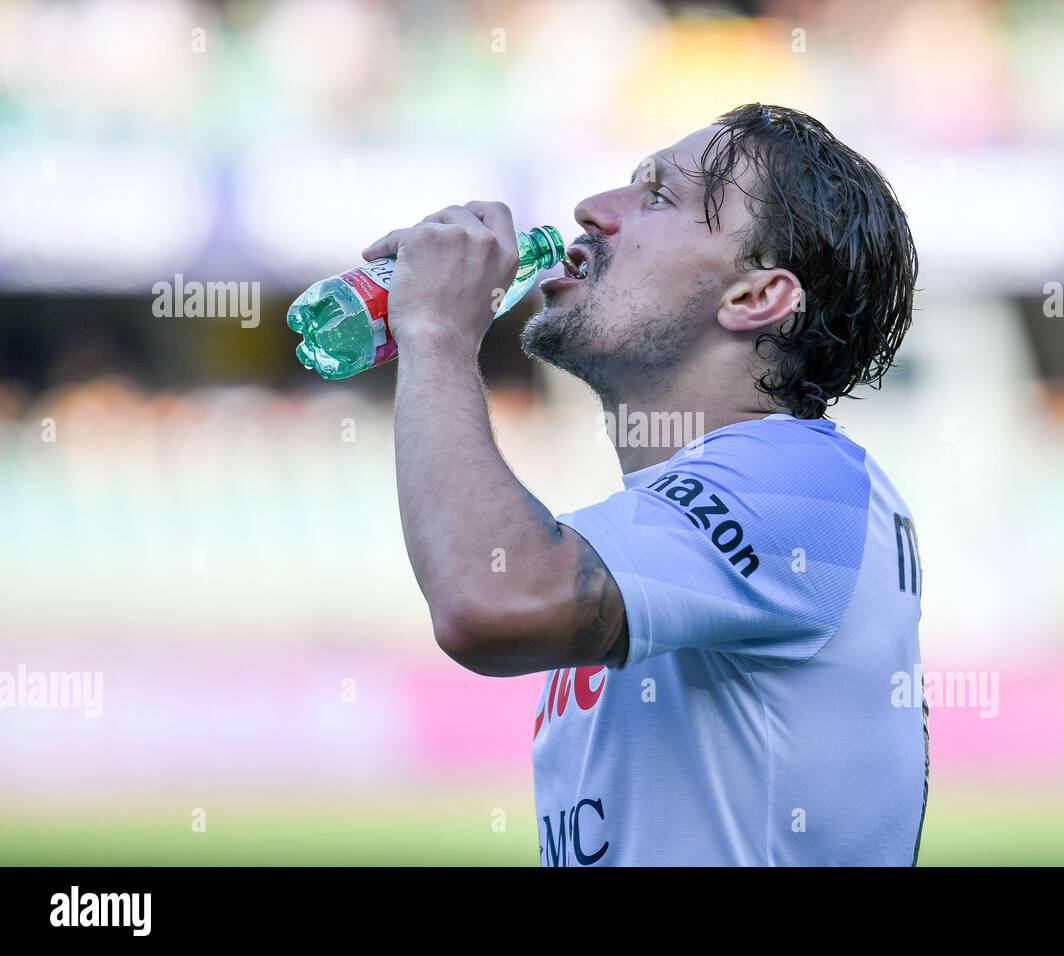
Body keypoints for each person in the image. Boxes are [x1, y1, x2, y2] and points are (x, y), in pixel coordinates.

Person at [363, 103, 926, 866]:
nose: (592, 211)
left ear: (754, 297)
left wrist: (436, 332)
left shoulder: (802, 478)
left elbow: (486, 600)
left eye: (657, 196)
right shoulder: (678, 524)